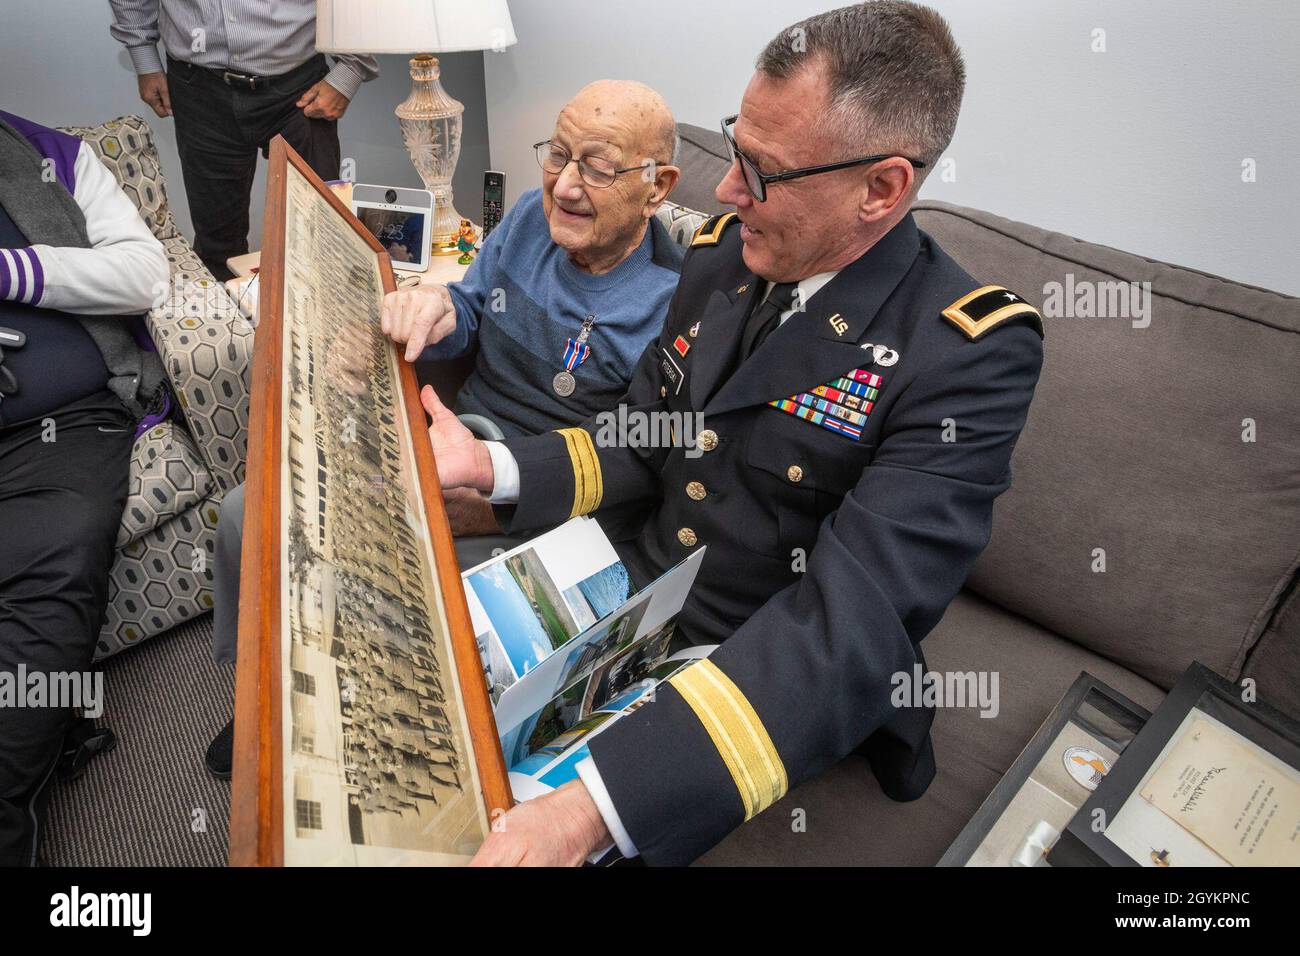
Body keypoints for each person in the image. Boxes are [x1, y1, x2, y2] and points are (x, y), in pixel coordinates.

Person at [420, 1, 1046, 866]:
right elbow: (644, 434)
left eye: (764, 170)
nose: (724, 189)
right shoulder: (723, 254)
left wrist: (590, 811)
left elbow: (848, 626)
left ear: (881, 189)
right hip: (636, 588)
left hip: (757, 659)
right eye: (735, 147)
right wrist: (487, 465)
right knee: (428, 697)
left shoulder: (968, 353)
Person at [202, 80, 684, 776]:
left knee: (392, 588)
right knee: (250, 512)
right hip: (446, 439)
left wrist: (495, 509)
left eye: (599, 166)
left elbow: (636, 467)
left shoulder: (675, 303)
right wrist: (436, 311)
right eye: (558, 153)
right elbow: (471, 308)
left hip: (541, 509)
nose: (567, 186)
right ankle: (268, 684)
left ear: (657, 185)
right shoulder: (526, 217)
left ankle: (362, 728)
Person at [0, 109, 170, 865]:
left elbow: (143, 274)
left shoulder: (50, 155)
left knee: (55, 562)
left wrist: (13, 272)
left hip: (62, 427)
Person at [109, 0, 379, 280]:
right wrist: (144, 58)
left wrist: (350, 70)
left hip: (298, 88)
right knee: (218, 246)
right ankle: (229, 323)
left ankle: (317, 321)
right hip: (199, 89)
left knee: (319, 231)